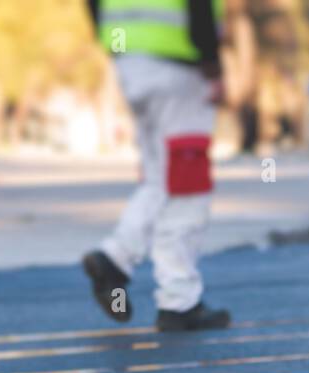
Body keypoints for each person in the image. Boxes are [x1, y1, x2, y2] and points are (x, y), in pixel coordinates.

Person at [83, 0, 232, 331]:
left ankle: (115, 259)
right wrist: (212, 62)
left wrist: (114, 46)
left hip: (130, 62)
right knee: (187, 186)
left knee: (159, 178)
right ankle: (179, 302)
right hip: (177, 65)